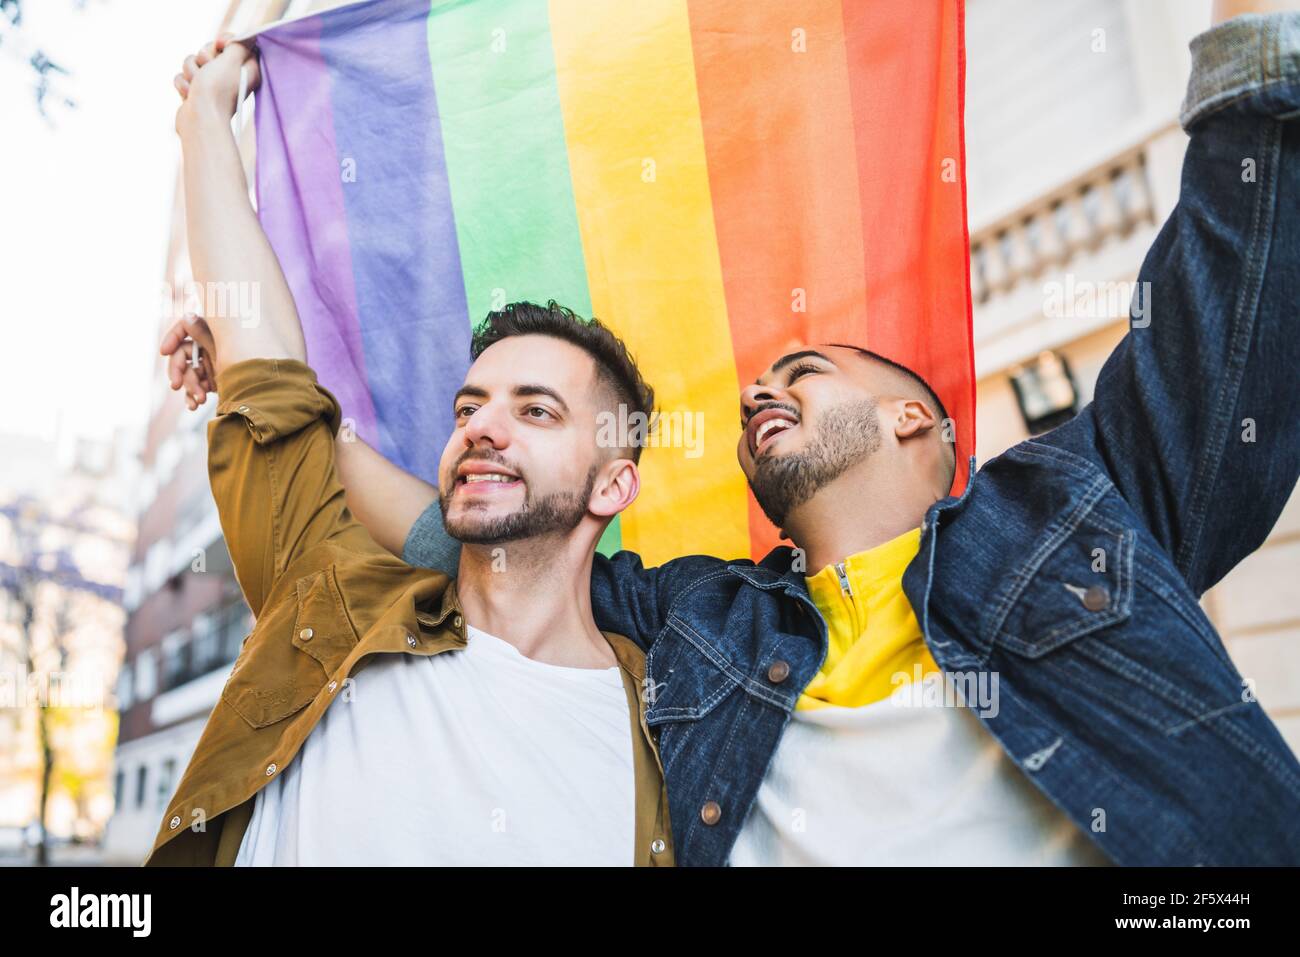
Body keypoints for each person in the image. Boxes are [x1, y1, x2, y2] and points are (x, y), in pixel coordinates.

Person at [171, 2, 1300, 866]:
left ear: (918, 418)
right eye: (760, 382)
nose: (763, 388)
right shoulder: (695, 624)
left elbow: (1233, 279)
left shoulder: (1079, 512)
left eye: (803, 371)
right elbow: (468, 522)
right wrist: (242, 354)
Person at [144, 37, 672, 865]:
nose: (481, 426)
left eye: (536, 410)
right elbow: (271, 373)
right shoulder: (330, 587)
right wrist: (207, 114)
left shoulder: (678, 719)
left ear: (615, 483)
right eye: (469, 406)